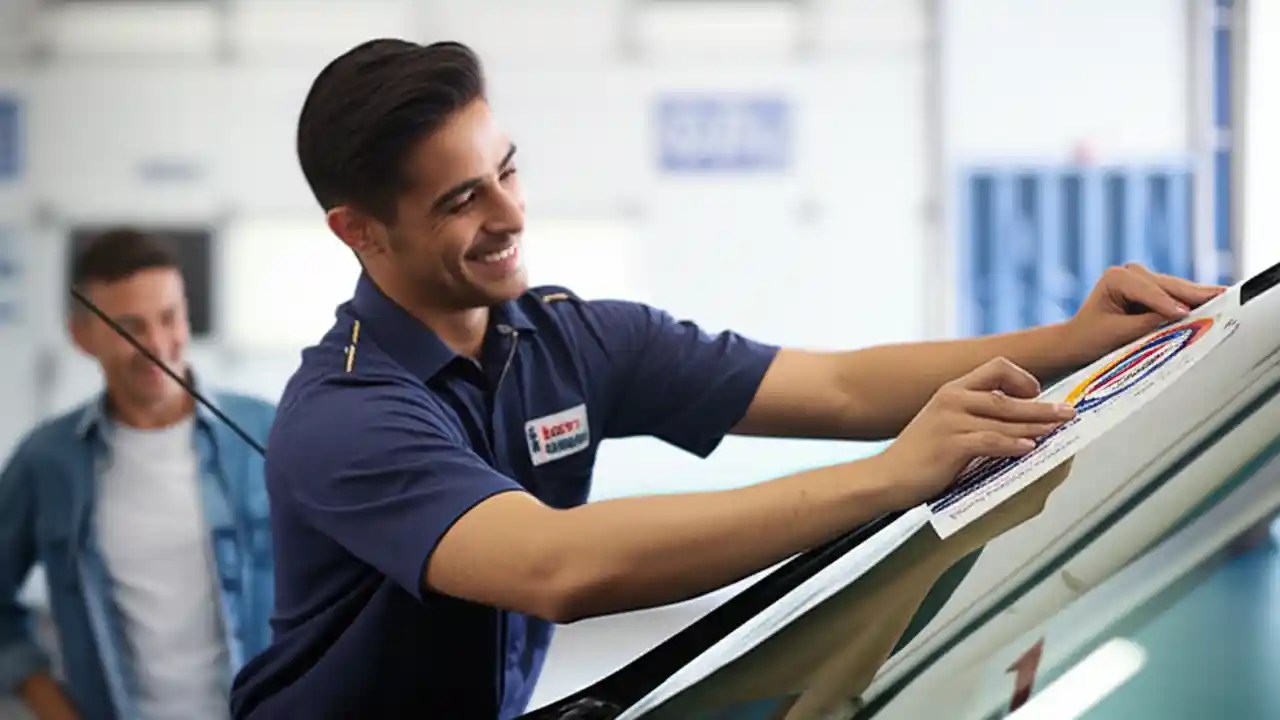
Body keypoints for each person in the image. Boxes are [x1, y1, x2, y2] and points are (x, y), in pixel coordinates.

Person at [228, 39, 1223, 720]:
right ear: (360, 232)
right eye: (460, 200)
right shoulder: (345, 416)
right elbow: (556, 569)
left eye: (508, 170)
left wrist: (1076, 337)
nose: (510, 214)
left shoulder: (571, 342)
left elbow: (836, 388)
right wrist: (892, 476)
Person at [0, 229, 277, 720]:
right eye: (130, 327)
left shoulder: (266, 431)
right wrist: (50, 706)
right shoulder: (47, 460)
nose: (156, 344)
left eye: (169, 317)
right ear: (82, 336)